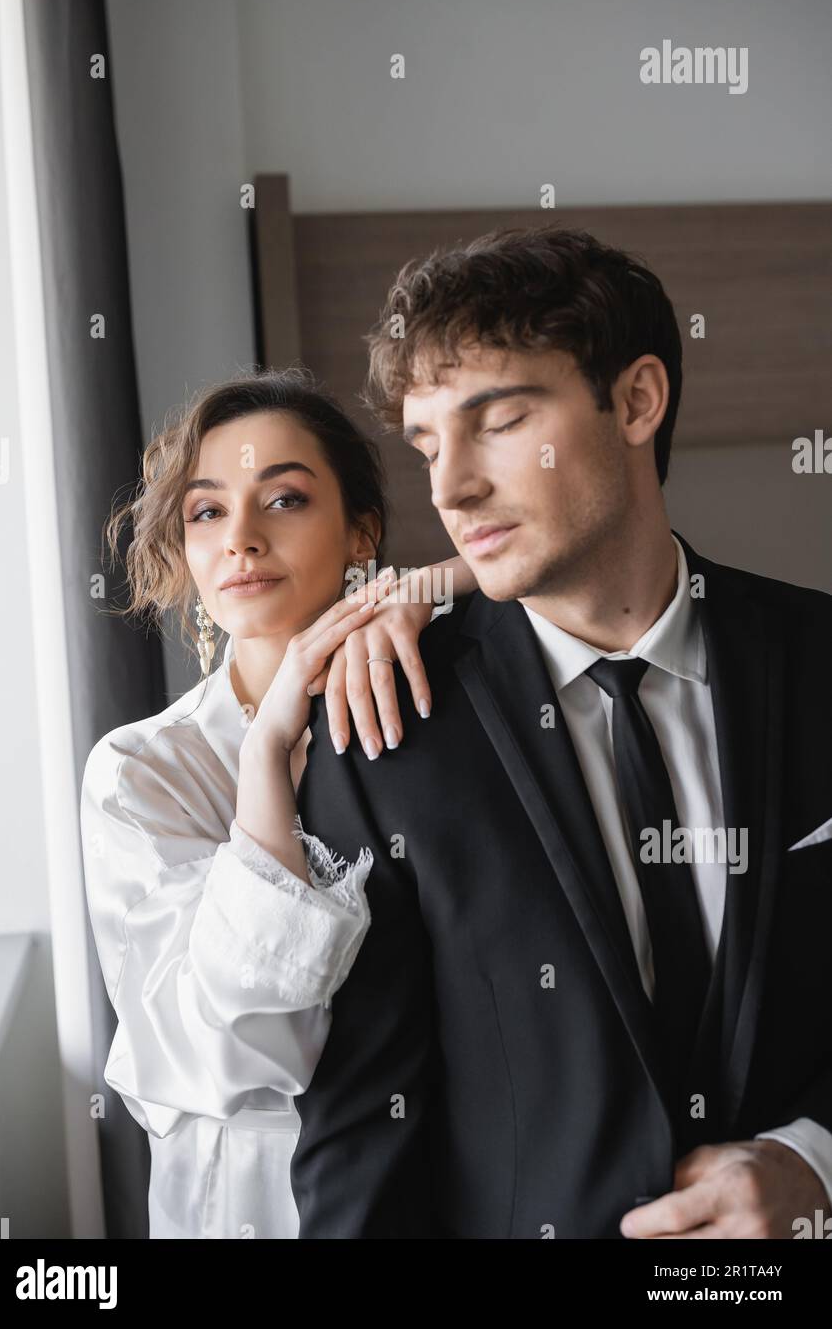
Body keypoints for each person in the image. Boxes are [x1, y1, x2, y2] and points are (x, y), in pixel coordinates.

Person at [290, 226, 832, 1239]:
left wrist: (816, 1163)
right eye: (425, 443)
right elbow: (362, 1136)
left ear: (634, 401)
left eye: (495, 422)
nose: (447, 487)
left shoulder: (817, 660)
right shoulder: (386, 724)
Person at [79, 368, 474, 1239]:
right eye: (208, 511)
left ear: (360, 531)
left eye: (285, 500)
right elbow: (241, 1048)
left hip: (441, 1180)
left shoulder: (437, 712)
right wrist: (264, 754)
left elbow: (551, 563)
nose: (242, 540)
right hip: (248, 1205)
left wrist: (436, 584)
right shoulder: (142, 771)